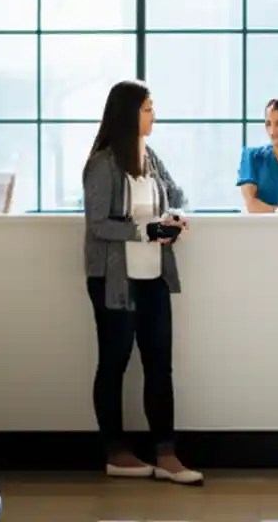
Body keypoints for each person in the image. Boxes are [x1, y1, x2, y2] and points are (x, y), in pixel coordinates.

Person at [82, 80, 202, 485]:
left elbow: (177, 194)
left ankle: (166, 454)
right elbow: (99, 225)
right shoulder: (102, 163)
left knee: (159, 366)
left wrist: (175, 220)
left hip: (153, 276)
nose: (154, 115)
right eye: (148, 108)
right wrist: (145, 232)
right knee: (114, 363)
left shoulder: (149, 157)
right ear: (128, 112)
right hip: (114, 279)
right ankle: (115, 452)